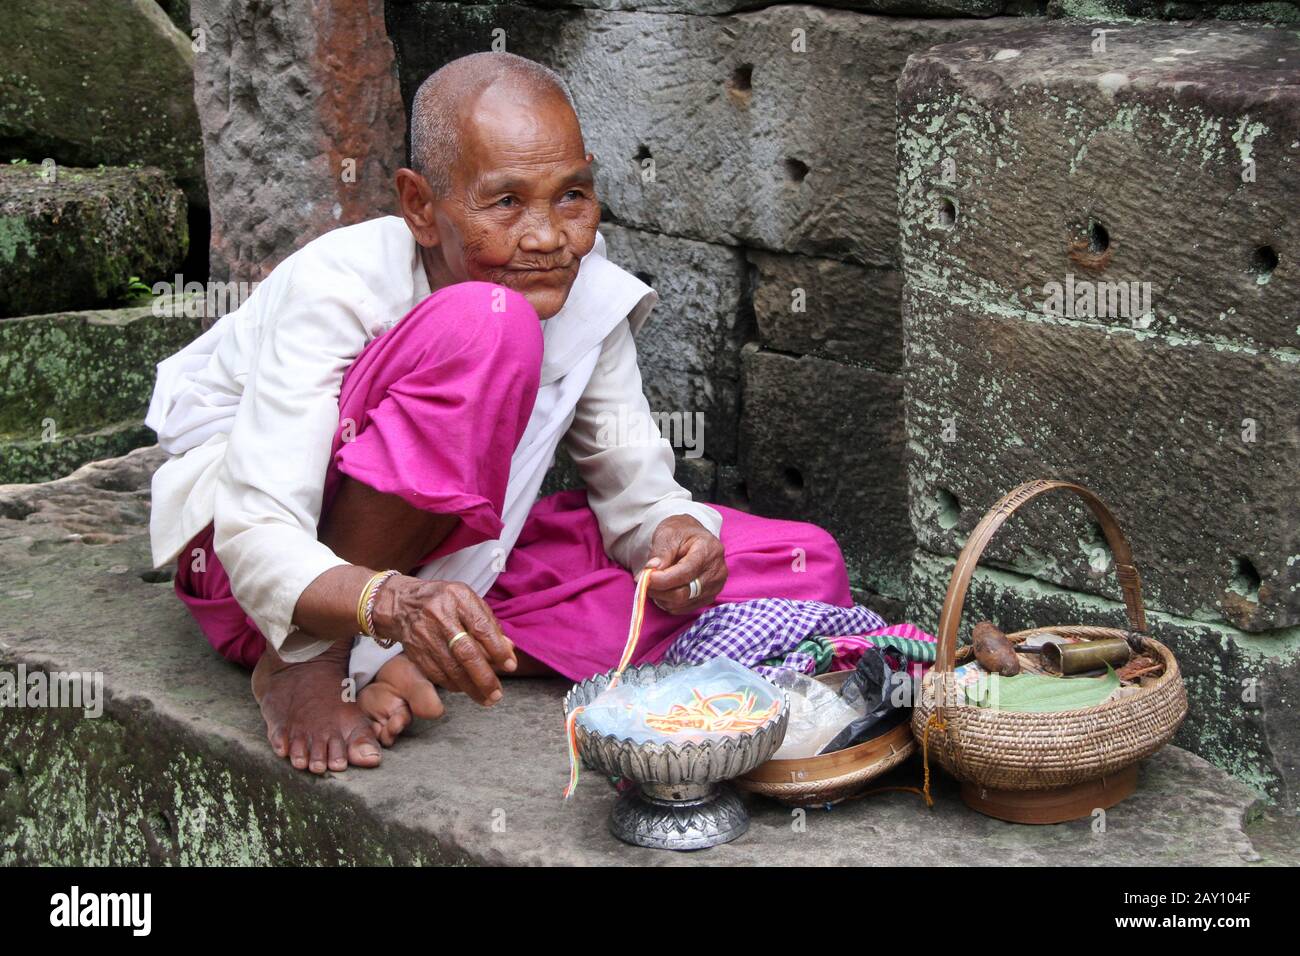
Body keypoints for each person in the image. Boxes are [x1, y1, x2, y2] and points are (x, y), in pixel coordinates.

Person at [146, 52, 852, 775]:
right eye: (507, 202)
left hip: (448, 562)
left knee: (799, 564)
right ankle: (315, 663)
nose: (548, 237)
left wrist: (675, 540)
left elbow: (637, 497)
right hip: (272, 584)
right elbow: (258, 526)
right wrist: (380, 606)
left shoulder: (585, 287)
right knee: (491, 320)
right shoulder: (341, 280)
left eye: (571, 196)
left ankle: (420, 647)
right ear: (421, 206)